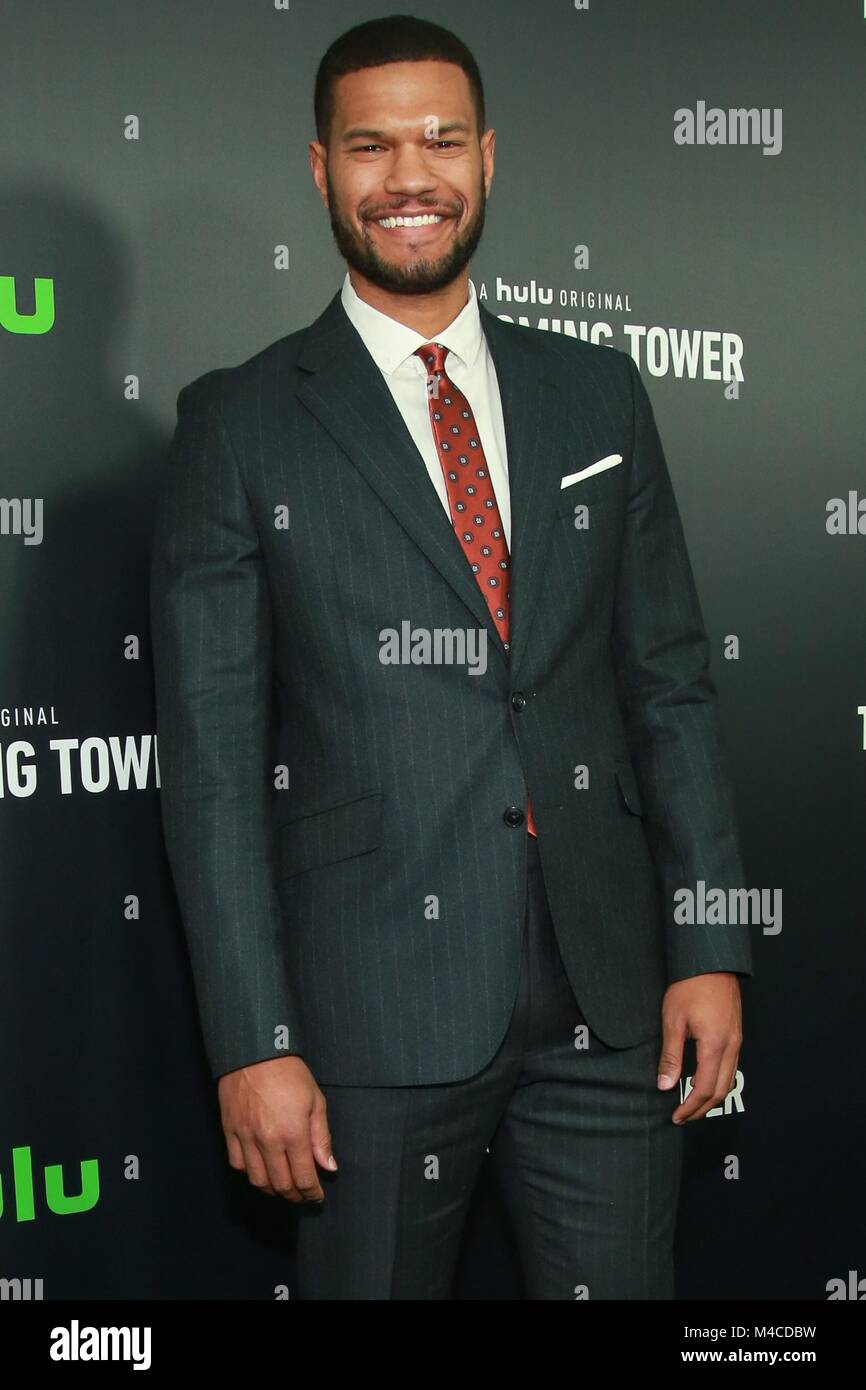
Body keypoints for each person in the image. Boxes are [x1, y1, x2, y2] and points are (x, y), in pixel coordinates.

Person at [149, 14, 753, 1300]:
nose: (407, 177)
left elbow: (668, 684)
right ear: (320, 170)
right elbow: (209, 766)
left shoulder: (596, 397)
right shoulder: (241, 425)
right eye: (370, 146)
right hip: (367, 1018)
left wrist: (705, 943)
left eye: (438, 141)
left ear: (488, 157)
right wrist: (252, 1042)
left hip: (610, 1007)